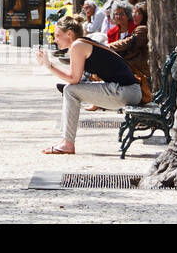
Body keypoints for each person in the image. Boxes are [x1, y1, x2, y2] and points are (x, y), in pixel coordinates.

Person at [36, 14, 142, 154]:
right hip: (129, 91)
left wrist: (49, 66)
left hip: (125, 92)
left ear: (69, 34)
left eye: (57, 35)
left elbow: (74, 79)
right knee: (70, 90)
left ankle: (67, 143)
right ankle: (65, 141)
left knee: (70, 90)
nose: (55, 40)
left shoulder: (78, 45)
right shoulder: (82, 43)